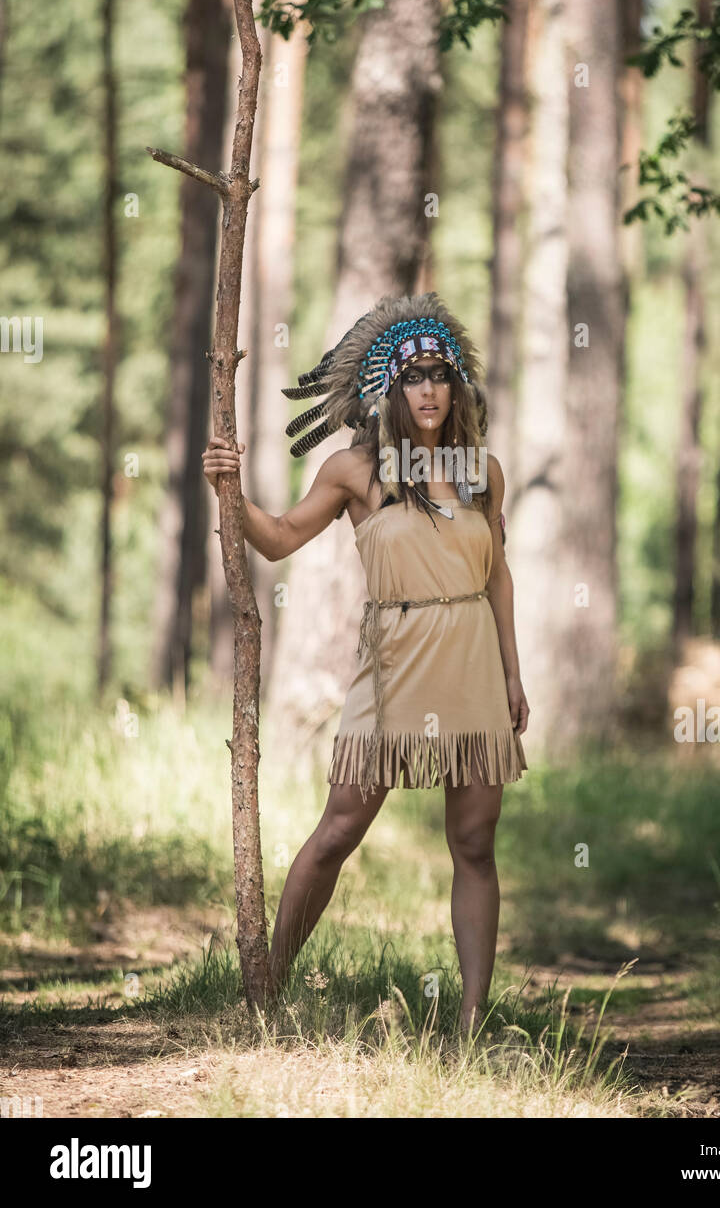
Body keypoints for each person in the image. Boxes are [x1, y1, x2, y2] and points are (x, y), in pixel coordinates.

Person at [202, 292, 529, 1036]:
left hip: (472, 655)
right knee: (340, 826)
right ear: (389, 387)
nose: (429, 389)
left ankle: (474, 1022)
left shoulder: (483, 472)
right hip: (393, 660)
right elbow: (280, 537)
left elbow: (499, 575)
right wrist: (230, 489)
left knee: (475, 841)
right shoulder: (355, 469)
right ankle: (266, 994)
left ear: (458, 386)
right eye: (414, 376)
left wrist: (513, 673)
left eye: (441, 375)